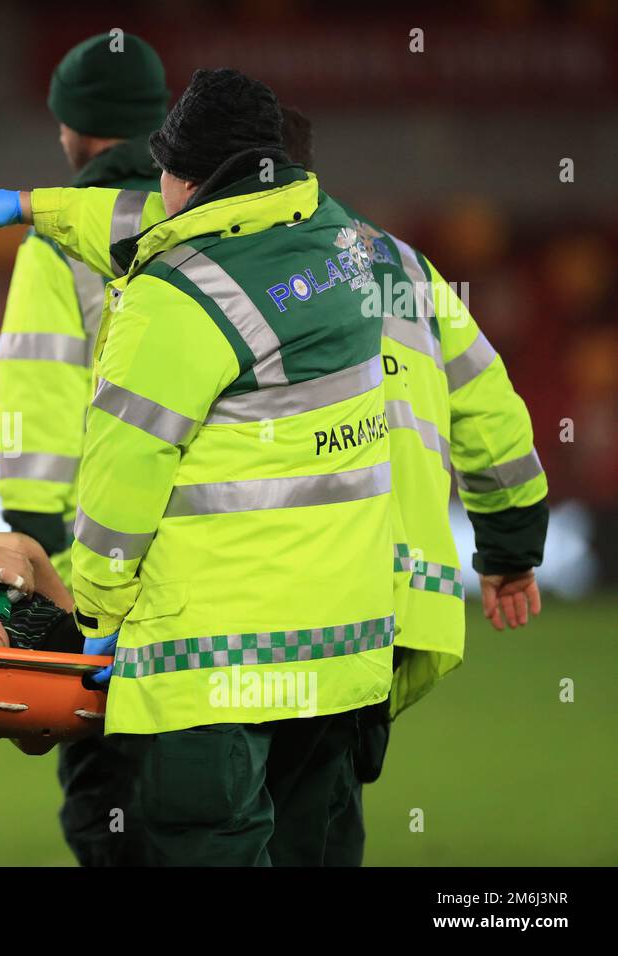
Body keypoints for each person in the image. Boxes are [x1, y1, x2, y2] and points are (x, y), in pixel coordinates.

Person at [0, 69, 398, 866]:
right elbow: (137, 218)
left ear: (189, 180)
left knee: (200, 845)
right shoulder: (346, 246)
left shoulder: (174, 300)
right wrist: (32, 205)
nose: (157, 186)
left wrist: (97, 614)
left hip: (214, 662)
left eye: (168, 168)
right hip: (338, 653)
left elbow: (120, 482)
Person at [278, 110, 548, 864]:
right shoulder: (404, 266)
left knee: (253, 816)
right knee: (327, 805)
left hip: (294, 588)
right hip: (399, 598)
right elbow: (490, 411)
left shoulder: (228, 268)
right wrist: (510, 548)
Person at [0, 32, 167, 867]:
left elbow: (37, 396)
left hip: (100, 558)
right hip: (219, 555)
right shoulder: (202, 216)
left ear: (74, 127)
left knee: (109, 804)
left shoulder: (58, 239)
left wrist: (40, 566)